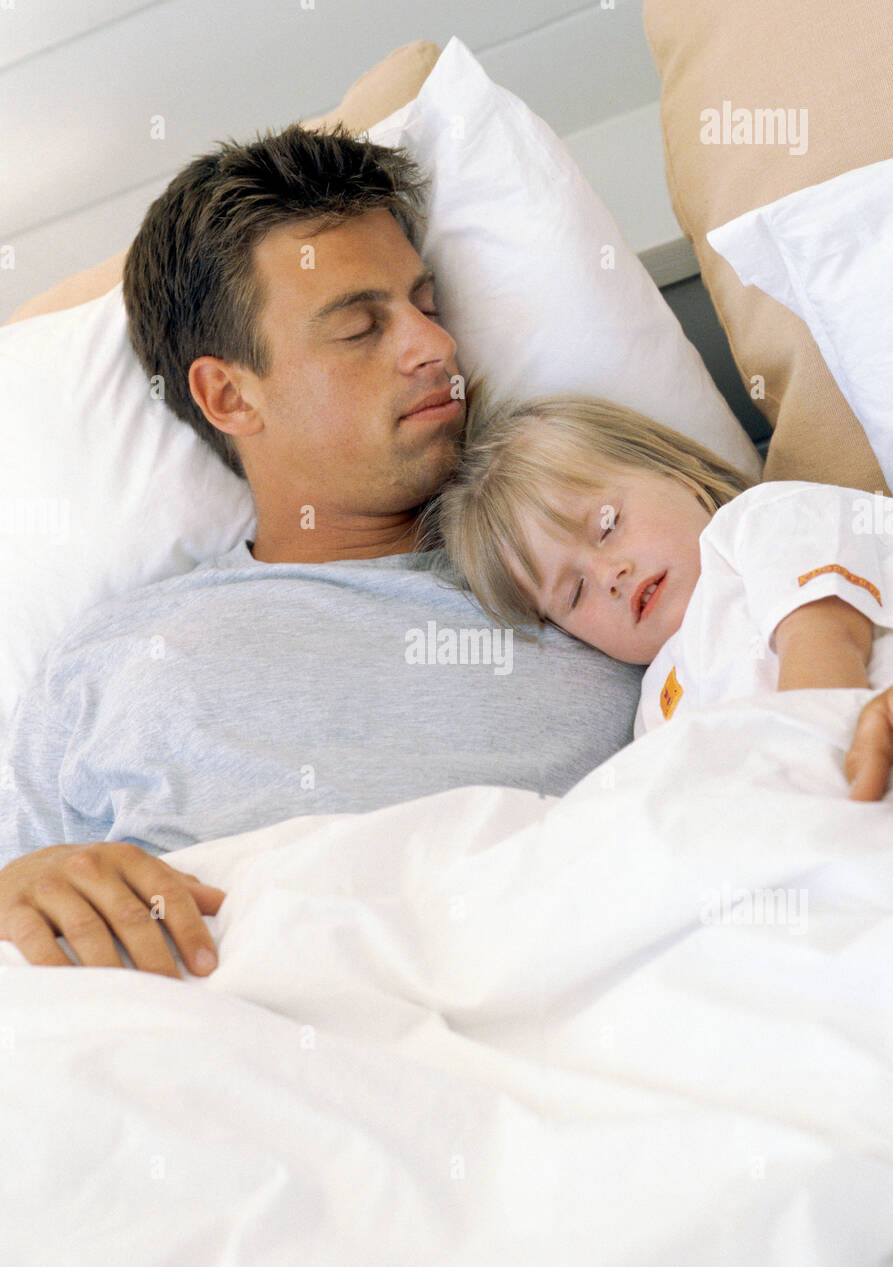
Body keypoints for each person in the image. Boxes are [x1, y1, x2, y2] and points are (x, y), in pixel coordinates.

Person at [0, 124, 645, 977]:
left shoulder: (594, 556)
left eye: (425, 305)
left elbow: (786, 606)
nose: (435, 347)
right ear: (228, 394)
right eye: (358, 327)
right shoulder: (106, 667)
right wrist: (19, 889)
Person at [436, 392, 893, 762]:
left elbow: (826, 646)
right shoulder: (655, 709)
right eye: (574, 592)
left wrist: (810, 793)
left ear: (681, 475)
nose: (610, 575)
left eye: (608, 525)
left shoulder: (760, 523)